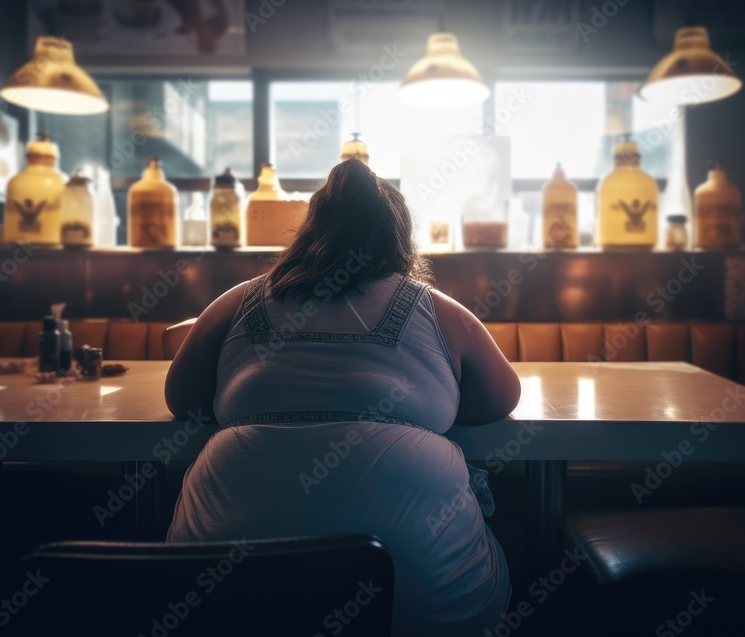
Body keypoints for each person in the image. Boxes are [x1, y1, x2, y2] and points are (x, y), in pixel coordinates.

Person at [165, 158, 521, 636]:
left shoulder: (237, 300)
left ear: (310, 230)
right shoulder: (438, 310)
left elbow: (182, 399)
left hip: (220, 596)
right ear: (399, 236)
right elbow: (501, 399)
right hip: (421, 602)